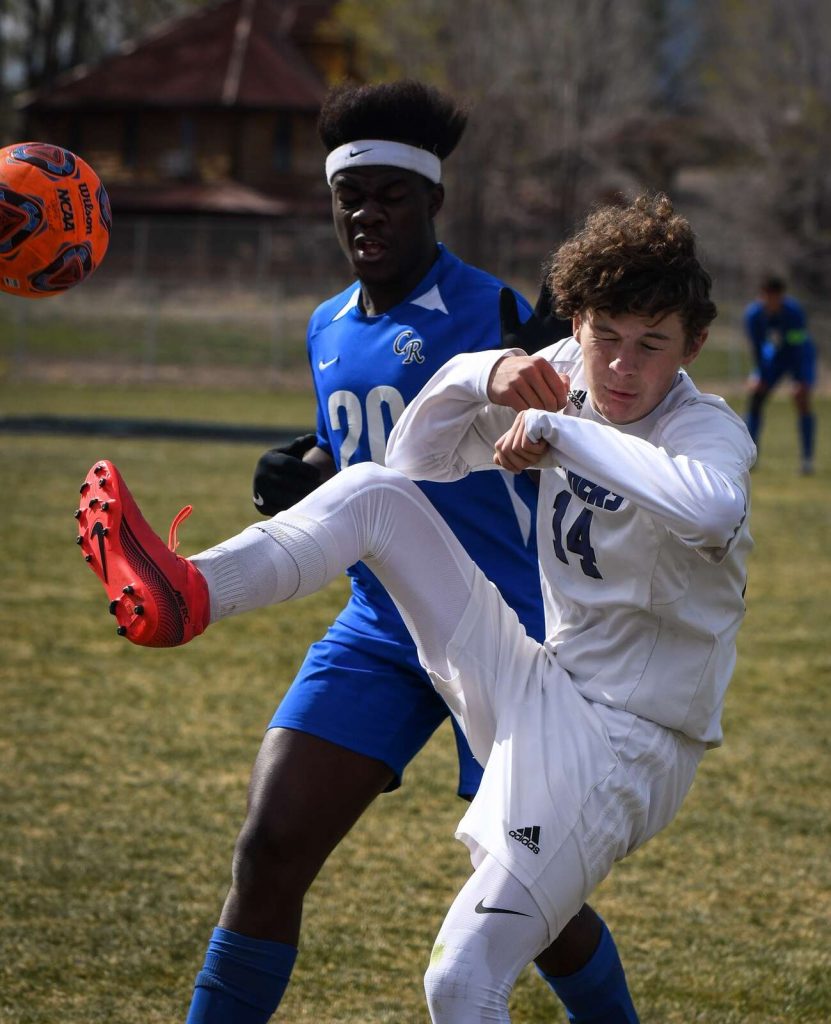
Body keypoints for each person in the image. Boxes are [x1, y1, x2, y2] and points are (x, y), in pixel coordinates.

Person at [76, 191, 752, 1022]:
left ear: (693, 344)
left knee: (460, 978)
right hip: (540, 682)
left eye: (651, 345)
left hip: (630, 744)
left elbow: (713, 507)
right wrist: (483, 372)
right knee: (372, 496)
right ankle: (190, 592)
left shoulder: (705, 429)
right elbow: (413, 461)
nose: (619, 367)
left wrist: (560, 433)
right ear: (572, 324)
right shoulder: (562, 378)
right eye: (603, 337)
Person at [743, 274, 817, 474]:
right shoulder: (753, 315)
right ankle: (750, 458)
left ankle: (807, 460)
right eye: (766, 296)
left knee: (801, 398)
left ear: (781, 296)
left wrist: (800, 379)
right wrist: (759, 374)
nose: (770, 301)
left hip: (798, 355)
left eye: (774, 297)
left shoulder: (793, 313)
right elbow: (758, 348)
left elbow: (798, 347)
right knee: (756, 397)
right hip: (773, 355)